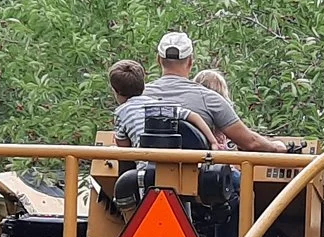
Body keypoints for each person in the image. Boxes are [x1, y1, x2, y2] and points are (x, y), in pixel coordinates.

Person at [115, 31, 286, 152]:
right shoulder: (210, 99)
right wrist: (275, 146)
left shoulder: (136, 98)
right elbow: (251, 143)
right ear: (190, 62)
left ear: (159, 60)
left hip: (143, 181)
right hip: (201, 191)